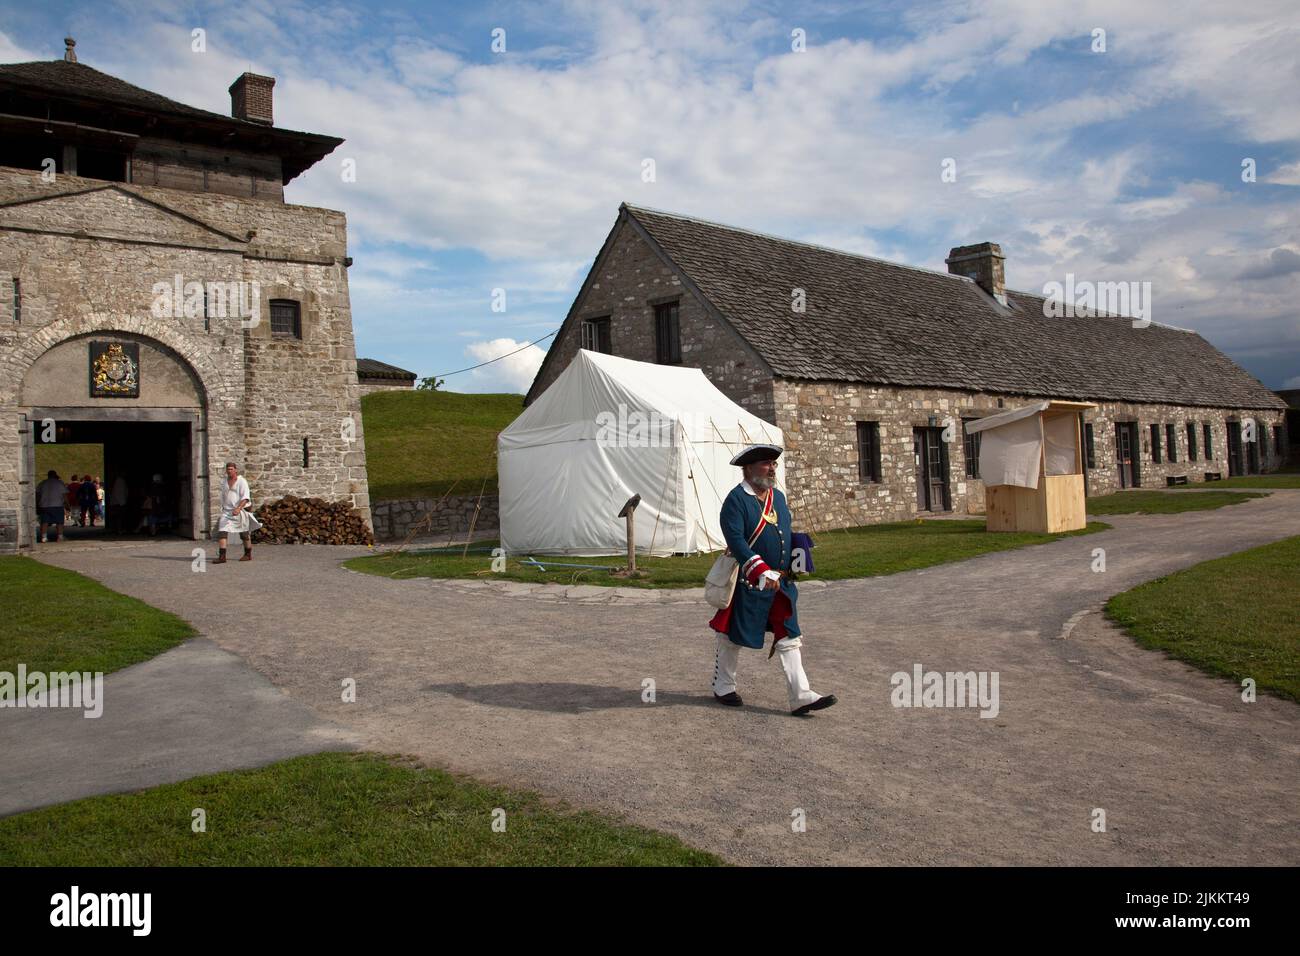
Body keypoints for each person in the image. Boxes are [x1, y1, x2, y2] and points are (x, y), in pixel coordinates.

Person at [707, 444, 837, 716]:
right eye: (767, 463)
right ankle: (723, 685)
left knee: (789, 634)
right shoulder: (736, 500)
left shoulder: (777, 497)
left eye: (774, 464)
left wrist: (797, 551)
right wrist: (760, 569)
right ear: (750, 468)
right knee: (732, 635)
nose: (772, 468)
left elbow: (782, 531)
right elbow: (737, 541)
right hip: (749, 582)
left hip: (780, 582)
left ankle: (801, 696)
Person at [216, 462, 260, 562]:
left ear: (236, 470)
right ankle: (222, 557)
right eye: (228, 469)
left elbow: (245, 497)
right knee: (222, 531)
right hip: (227, 511)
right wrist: (222, 507)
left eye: (231, 469)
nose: (229, 471)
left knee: (244, 534)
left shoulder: (241, 481)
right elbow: (223, 496)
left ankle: (248, 554)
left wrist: (239, 508)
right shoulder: (224, 482)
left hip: (240, 510)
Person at [35, 470, 69, 544]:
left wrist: (37, 505)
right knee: (59, 522)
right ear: (55, 475)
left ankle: (44, 537)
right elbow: (65, 496)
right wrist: (67, 505)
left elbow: (37, 495)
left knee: (45, 522)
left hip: (45, 505)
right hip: (57, 505)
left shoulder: (42, 483)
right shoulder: (60, 483)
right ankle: (60, 537)